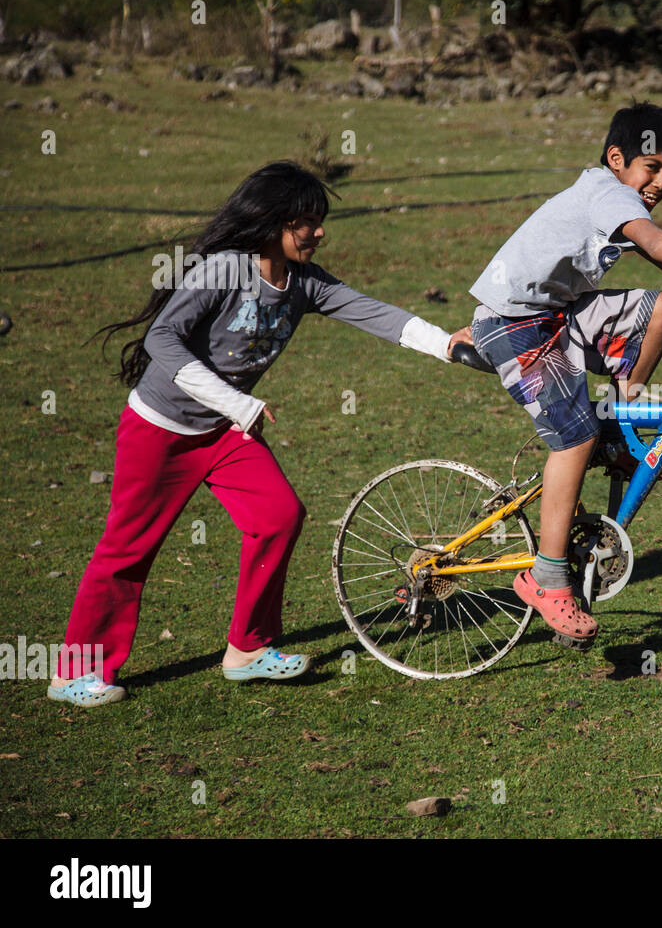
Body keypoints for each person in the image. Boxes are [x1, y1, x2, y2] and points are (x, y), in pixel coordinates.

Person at [49, 161, 470, 707]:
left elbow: (376, 315)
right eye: (307, 223)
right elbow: (162, 339)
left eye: (320, 222)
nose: (319, 233)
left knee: (278, 516)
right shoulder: (224, 270)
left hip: (226, 431)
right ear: (274, 223)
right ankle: (74, 673)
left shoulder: (304, 283)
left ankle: (248, 649)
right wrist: (235, 402)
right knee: (129, 549)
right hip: (161, 429)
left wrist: (448, 343)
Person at [468, 101, 662, 644]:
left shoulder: (615, 198)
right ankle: (547, 578)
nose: (661, 181)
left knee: (661, 308)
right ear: (617, 159)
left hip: (557, 316)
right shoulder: (608, 193)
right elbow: (654, 242)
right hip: (515, 326)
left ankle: (616, 421)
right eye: (652, 167)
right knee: (573, 440)